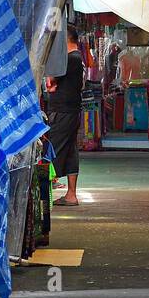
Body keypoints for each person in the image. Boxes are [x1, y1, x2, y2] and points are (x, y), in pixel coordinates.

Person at [45, 28, 84, 207]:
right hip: (70, 111)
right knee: (69, 152)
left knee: (52, 150)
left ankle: (43, 196)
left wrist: (50, 82)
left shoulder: (70, 59)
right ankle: (71, 194)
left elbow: (51, 82)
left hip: (63, 112)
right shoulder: (75, 58)